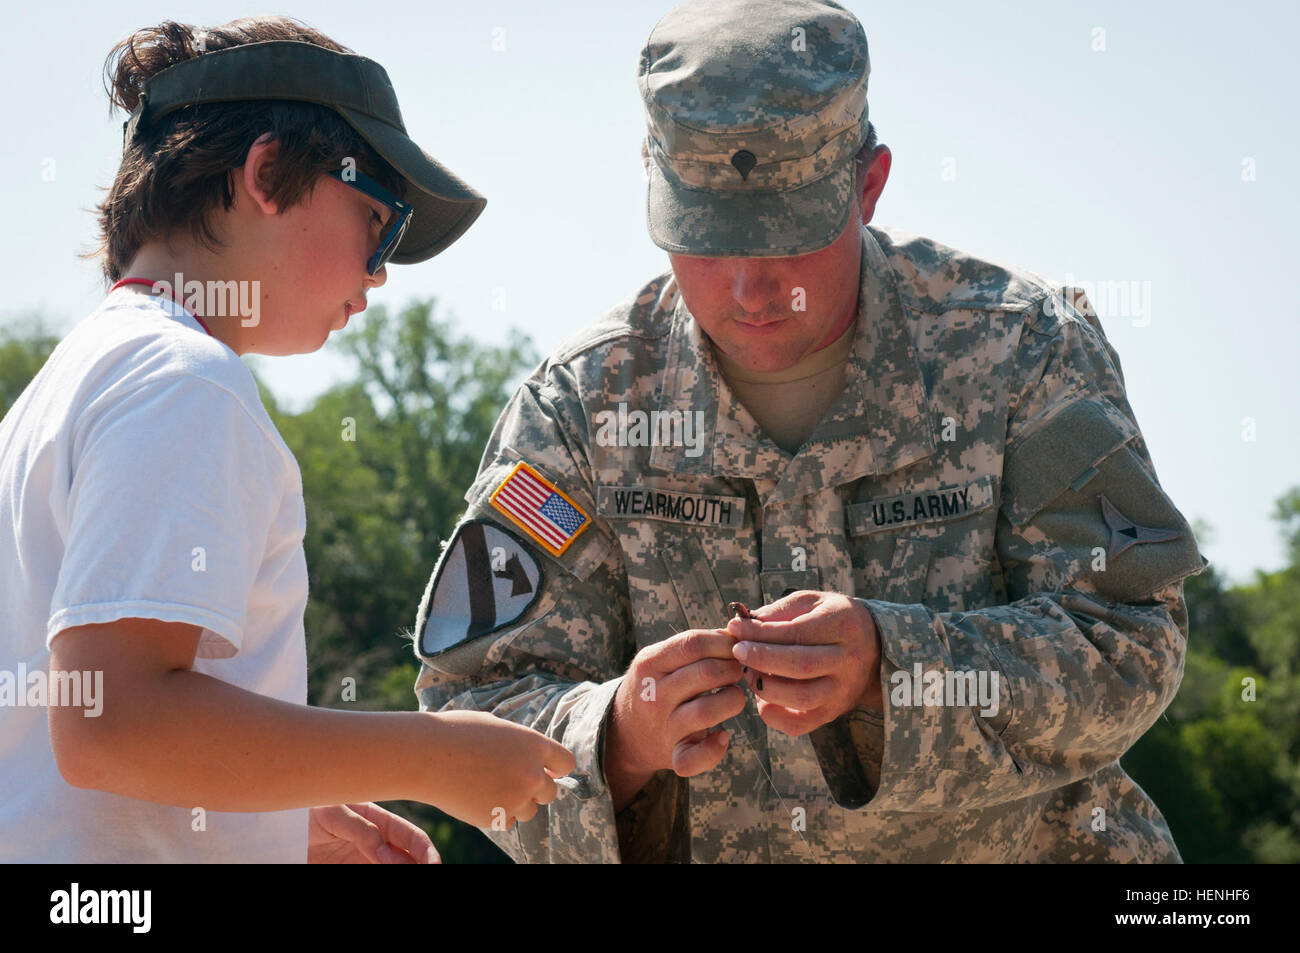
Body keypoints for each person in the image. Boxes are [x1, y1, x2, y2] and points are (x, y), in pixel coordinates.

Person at [411, 0, 1208, 863]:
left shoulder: (1023, 348)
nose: (750, 288)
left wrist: (890, 666)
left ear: (870, 184)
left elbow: (1128, 635)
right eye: (707, 240)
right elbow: (472, 709)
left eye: (789, 239)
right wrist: (619, 734)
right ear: (651, 181)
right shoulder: (584, 407)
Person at [0, 16, 573, 864]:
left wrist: (260, 813)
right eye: (378, 224)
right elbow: (109, 724)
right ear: (267, 172)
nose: (378, 275)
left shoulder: (69, 384)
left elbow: (57, 755)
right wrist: (437, 754)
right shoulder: (186, 380)